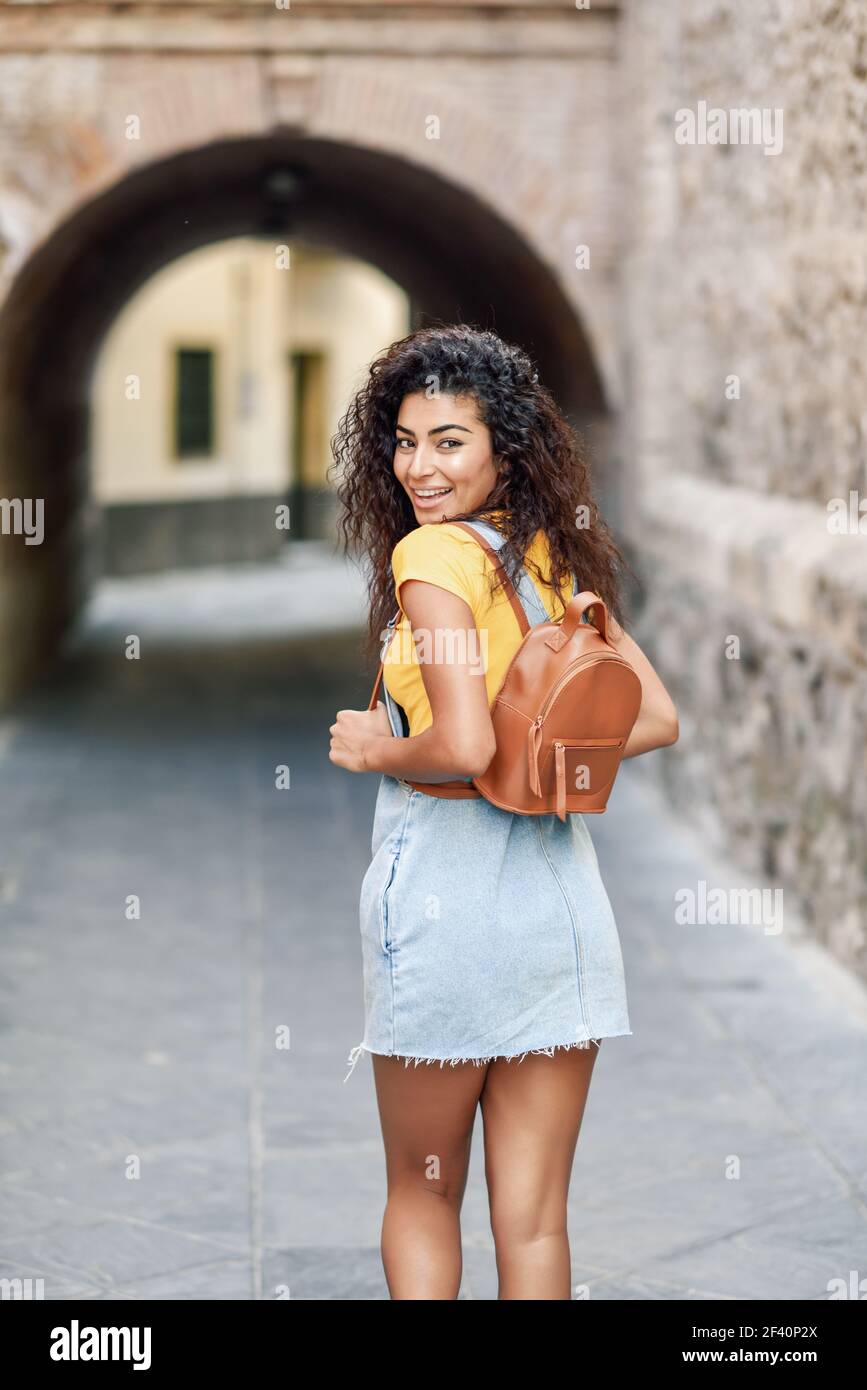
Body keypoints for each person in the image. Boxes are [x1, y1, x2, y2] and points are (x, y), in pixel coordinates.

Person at [328, 324, 678, 1300]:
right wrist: (543, 760)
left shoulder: (431, 559)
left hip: (448, 913)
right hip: (557, 913)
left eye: (449, 440)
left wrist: (376, 748)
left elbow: (464, 747)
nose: (418, 466)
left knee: (421, 1192)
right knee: (533, 1224)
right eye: (403, 440)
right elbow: (656, 717)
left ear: (501, 447)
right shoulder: (552, 558)